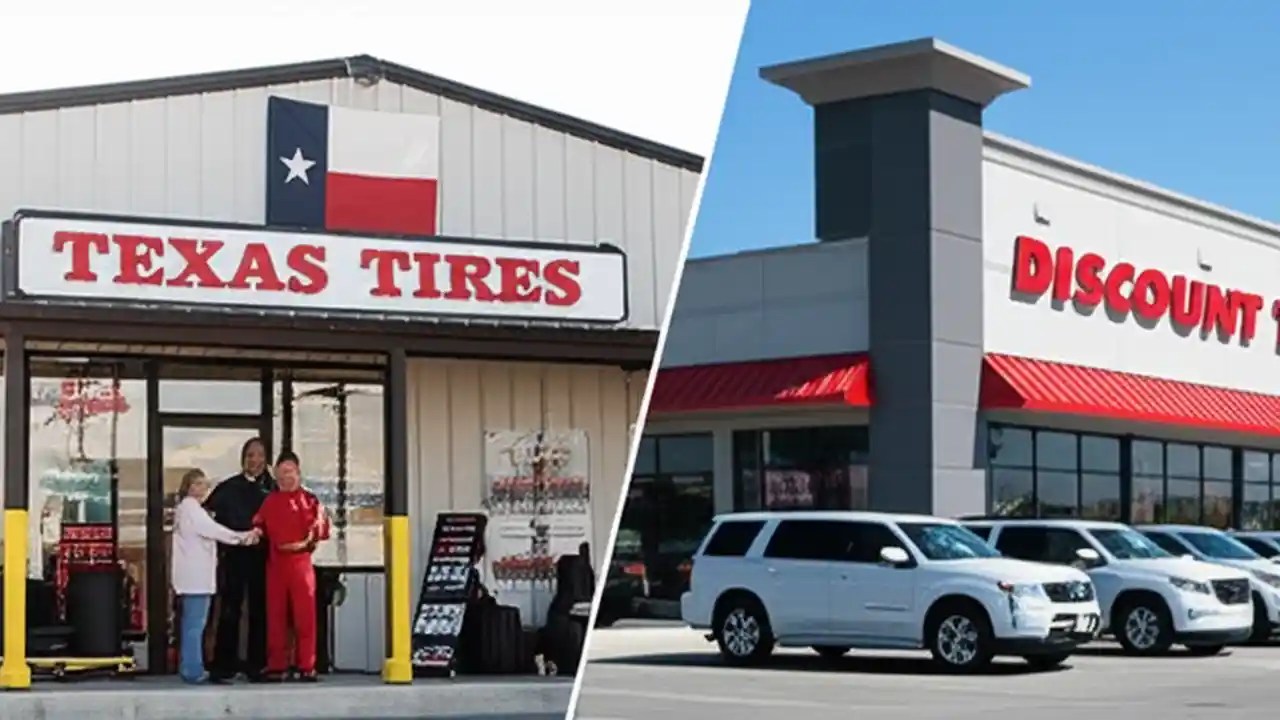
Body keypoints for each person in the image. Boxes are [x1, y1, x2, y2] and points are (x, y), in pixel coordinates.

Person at [171, 468, 260, 684]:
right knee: (195, 624)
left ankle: (189, 666)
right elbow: (215, 531)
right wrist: (244, 537)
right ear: (189, 486)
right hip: (196, 579)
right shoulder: (192, 510)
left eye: (204, 484)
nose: (203, 488)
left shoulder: (188, 510)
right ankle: (193, 670)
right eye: (198, 484)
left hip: (193, 578)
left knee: (191, 623)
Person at [253, 450, 329, 682]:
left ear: (298, 473)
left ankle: (307, 665)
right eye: (282, 473)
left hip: (300, 564)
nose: (286, 477)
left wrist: (310, 539)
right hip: (276, 564)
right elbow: (258, 524)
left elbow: (322, 530)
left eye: (290, 472)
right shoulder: (270, 500)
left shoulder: (311, 501)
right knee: (275, 616)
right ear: (276, 475)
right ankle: (278, 665)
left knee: (305, 617)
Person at [204, 437, 275, 683]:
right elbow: (208, 518)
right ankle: (224, 665)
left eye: (259, 455)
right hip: (233, 557)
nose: (254, 460)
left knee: (259, 611)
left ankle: (257, 666)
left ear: (266, 459)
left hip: (262, 558)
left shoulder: (274, 490)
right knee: (230, 609)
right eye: (249, 455)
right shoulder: (227, 488)